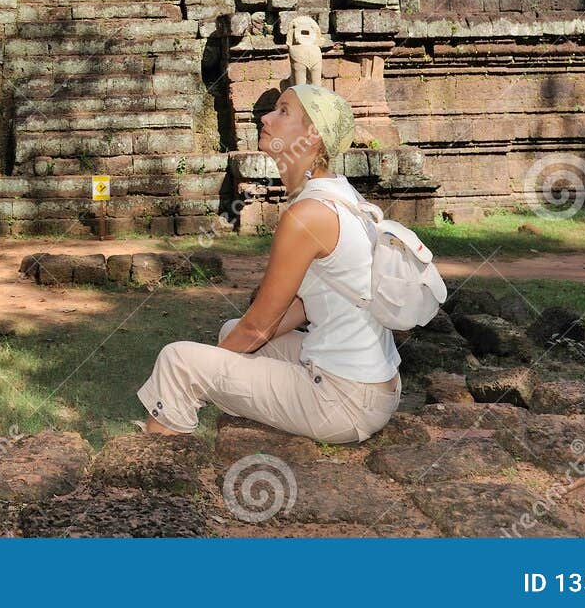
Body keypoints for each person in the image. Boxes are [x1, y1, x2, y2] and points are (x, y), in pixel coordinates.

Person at [133, 83, 403, 442]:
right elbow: (303, 308)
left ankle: (157, 469)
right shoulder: (340, 194)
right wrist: (219, 362)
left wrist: (205, 370)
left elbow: (258, 329)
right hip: (376, 386)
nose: (265, 117)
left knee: (178, 362)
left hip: (345, 400)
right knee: (231, 330)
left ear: (312, 138)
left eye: (283, 111)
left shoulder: (310, 214)